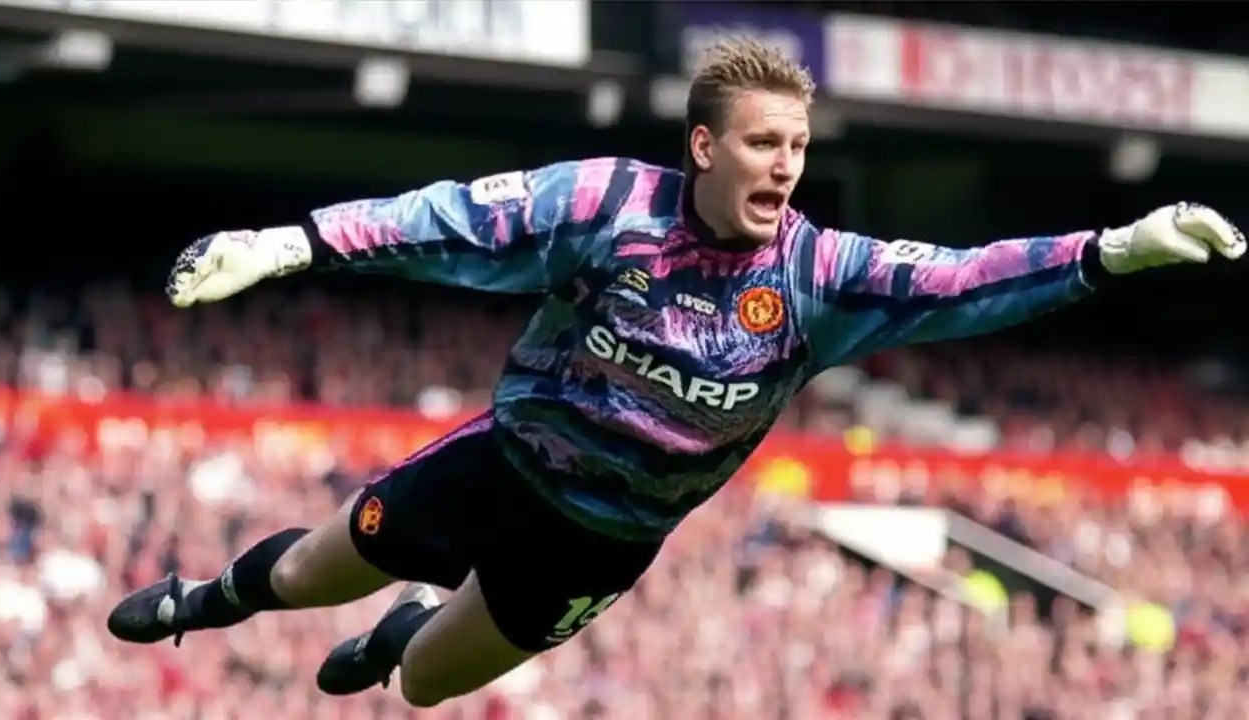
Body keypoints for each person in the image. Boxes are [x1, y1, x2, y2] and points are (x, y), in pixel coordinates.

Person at [105, 37, 1245, 708]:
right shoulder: (608, 206)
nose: (784, 167)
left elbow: (959, 277)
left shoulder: (818, 276)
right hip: (502, 467)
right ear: (704, 144)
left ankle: (413, 628)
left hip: (601, 540)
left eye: (797, 148)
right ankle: (202, 603)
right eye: (762, 143)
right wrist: (294, 241)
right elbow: (449, 219)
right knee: (306, 575)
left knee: (418, 688)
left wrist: (1104, 255)